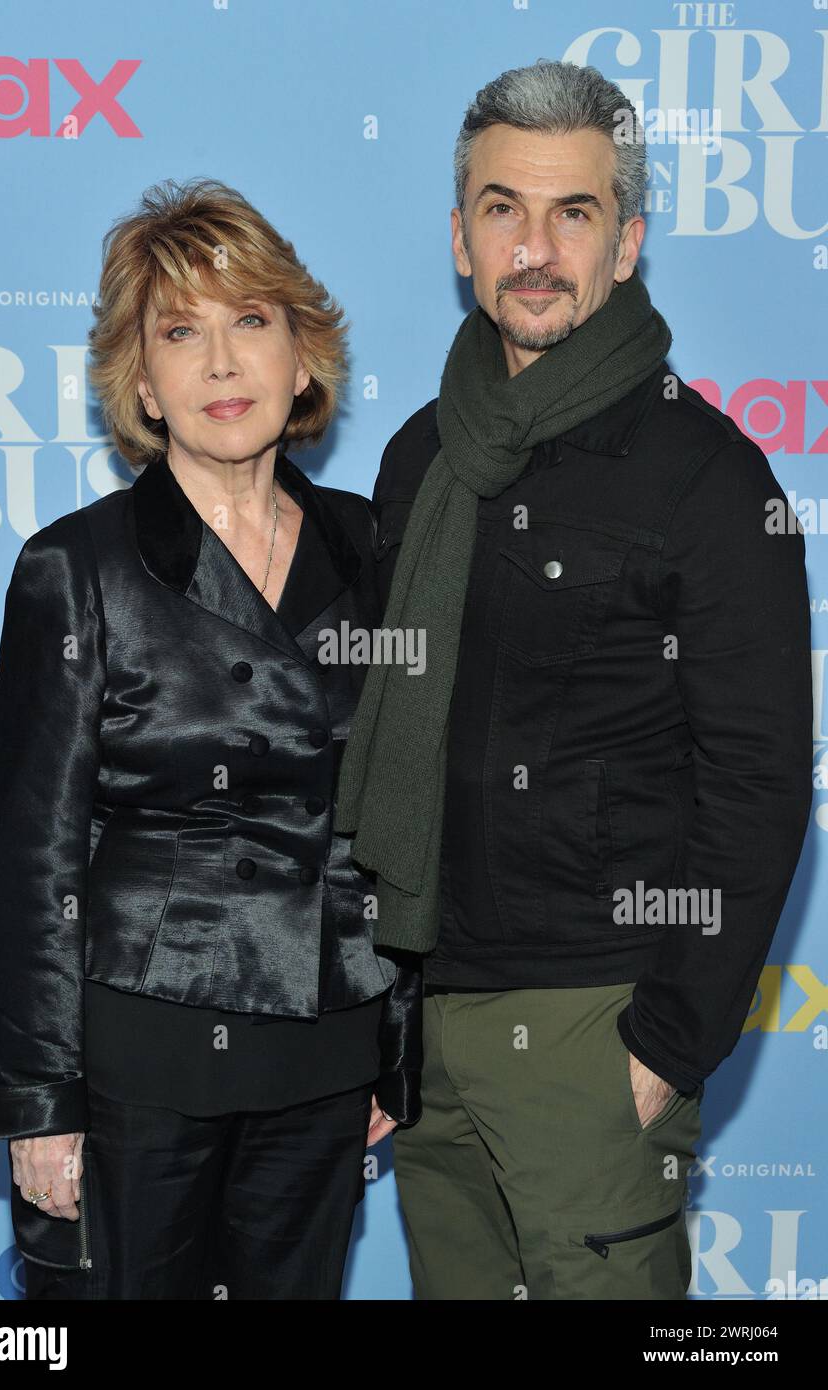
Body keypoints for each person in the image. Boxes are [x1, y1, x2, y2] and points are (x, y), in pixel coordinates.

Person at [335, 60, 812, 1299]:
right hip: (427, 1020)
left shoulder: (708, 477)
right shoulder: (419, 456)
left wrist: (670, 1040)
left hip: (599, 1026)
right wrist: (377, 1020)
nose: (534, 249)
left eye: (574, 213)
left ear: (629, 241)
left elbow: (761, 781)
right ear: (460, 234)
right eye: (504, 209)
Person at [0, 176, 422, 1301]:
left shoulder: (373, 549)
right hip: (141, 1064)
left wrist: (395, 1044)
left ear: (303, 358)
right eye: (181, 332)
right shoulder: (79, 567)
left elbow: (404, 809)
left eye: (251, 322)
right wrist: (41, 1107)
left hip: (323, 1056)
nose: (222, 363)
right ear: (145, 387)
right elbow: (33, 854)